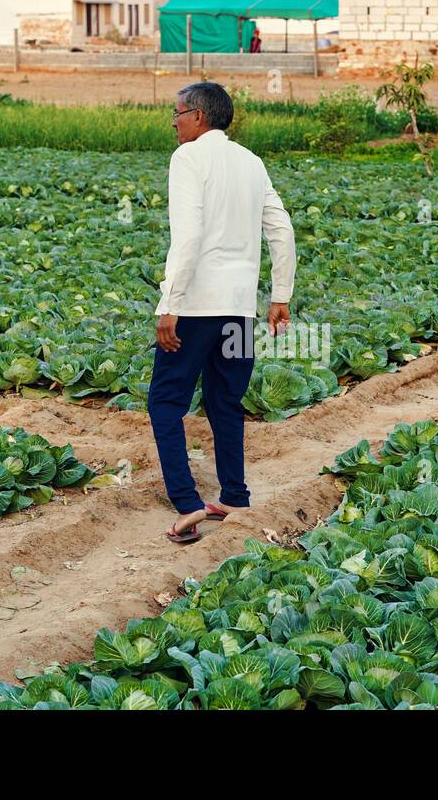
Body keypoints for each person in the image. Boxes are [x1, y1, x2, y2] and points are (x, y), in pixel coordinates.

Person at [149, 82, 296, 543]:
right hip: (239, 311)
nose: (173, 122)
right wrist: (280, 296)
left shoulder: (188, 158)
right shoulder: (251, 162)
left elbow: (188, 237)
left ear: (197, 116)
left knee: (165, 402)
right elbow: (282, 229)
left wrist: (170, 303)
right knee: (224, 403)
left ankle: (188, 505)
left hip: (196, 308)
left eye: (176, 113)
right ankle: (233, 495)